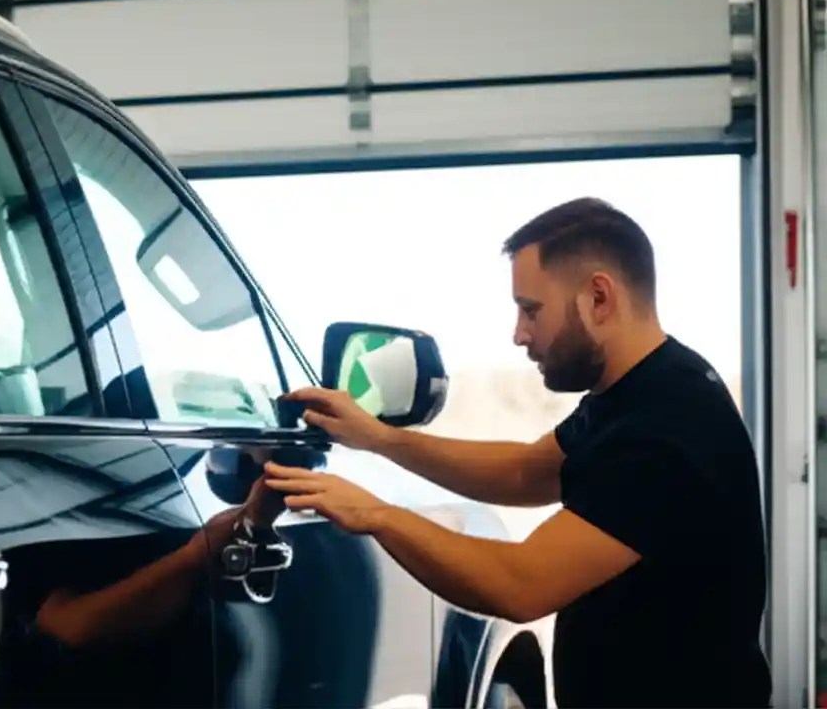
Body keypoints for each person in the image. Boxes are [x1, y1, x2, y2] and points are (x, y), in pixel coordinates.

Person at [265, 197, 771, 708]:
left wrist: (375, 515)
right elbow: (527, 472)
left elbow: (520, 585)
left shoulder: (665, 425)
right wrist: (381, 438)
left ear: (598, 297)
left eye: (531, 310)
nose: (518, 334)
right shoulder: (639, 391)